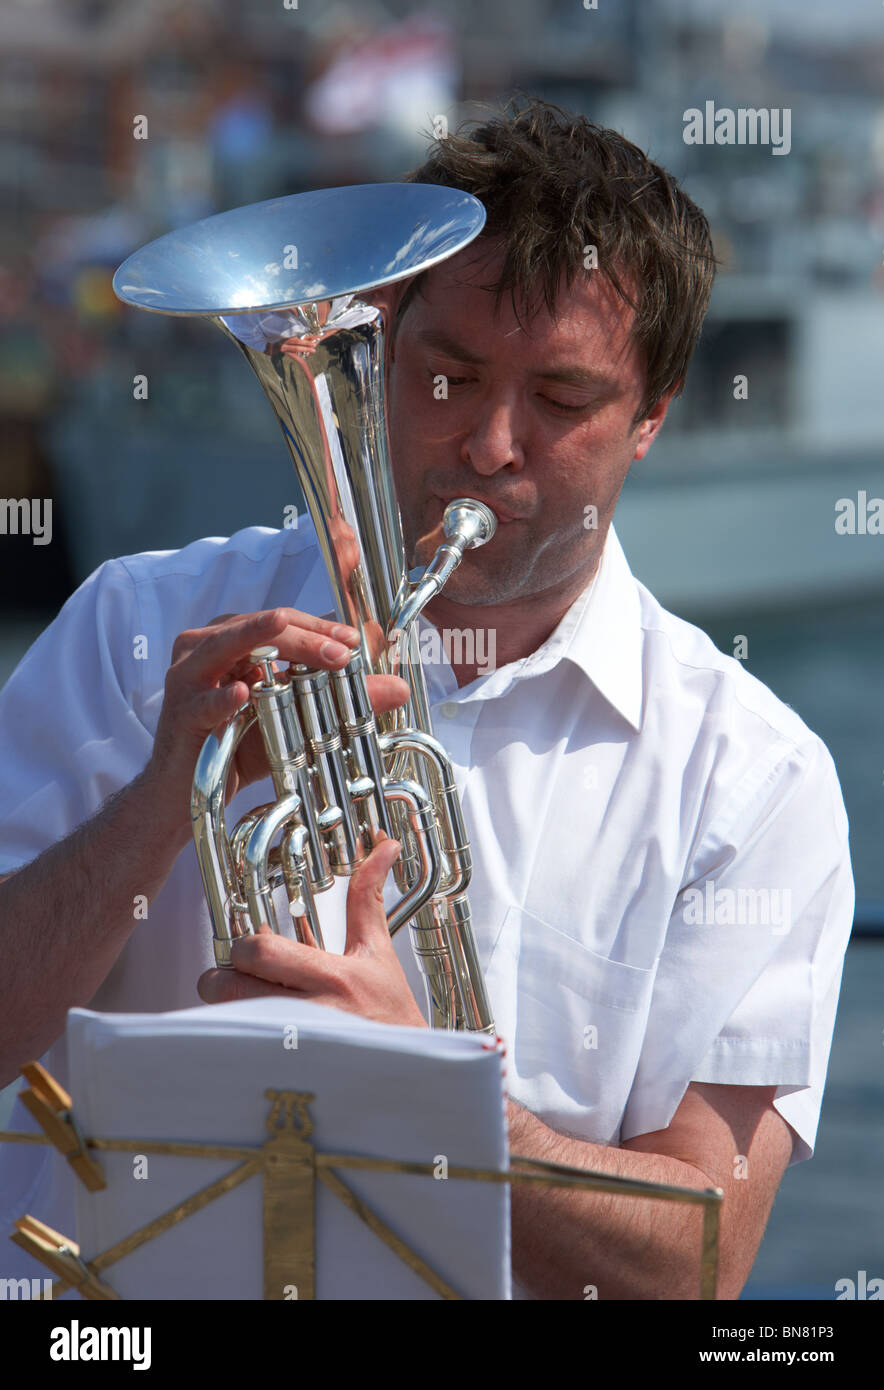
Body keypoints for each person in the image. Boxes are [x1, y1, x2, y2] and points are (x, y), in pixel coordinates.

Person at [0, 101, 853, 1300]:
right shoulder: (133, 626)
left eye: (561, 400)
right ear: (381, 340)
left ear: (650, 417)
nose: (491, 444)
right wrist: (157, 801)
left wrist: (428, 1094)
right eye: (449, 377)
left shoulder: (751, 777)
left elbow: (696, 1262)